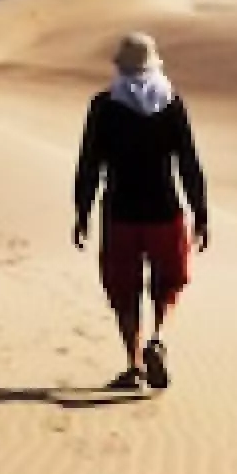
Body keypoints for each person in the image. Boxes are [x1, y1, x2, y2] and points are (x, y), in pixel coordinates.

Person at [74, 32, 209, 391]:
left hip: (120, 211)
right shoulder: (172, 104)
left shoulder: (103, 107)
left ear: (119, 67)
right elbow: (189, 164)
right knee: (170, 284)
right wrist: (201, 213)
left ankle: (134, 365)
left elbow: (89, 164)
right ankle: (158, 338)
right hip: (165, 209)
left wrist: (82, 213)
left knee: (124, 290)